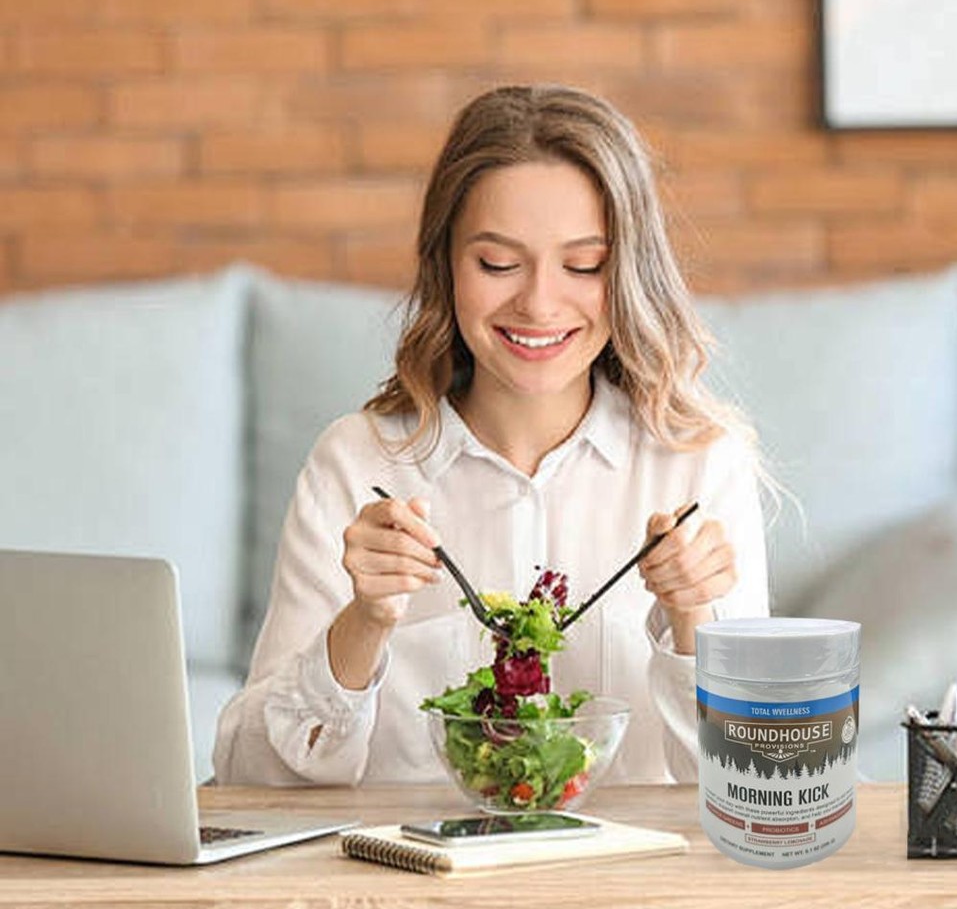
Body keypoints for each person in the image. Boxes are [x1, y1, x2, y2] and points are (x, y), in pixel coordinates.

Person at [213, 84, 769, 787]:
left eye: (584, 266)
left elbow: (755, 783)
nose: (538, 304)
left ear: (629, 271)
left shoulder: (699, 468)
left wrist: (692, 619)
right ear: (444, 264)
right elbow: (245, 775)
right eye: (498, 264)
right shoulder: (357, 463)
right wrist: (365, 621)